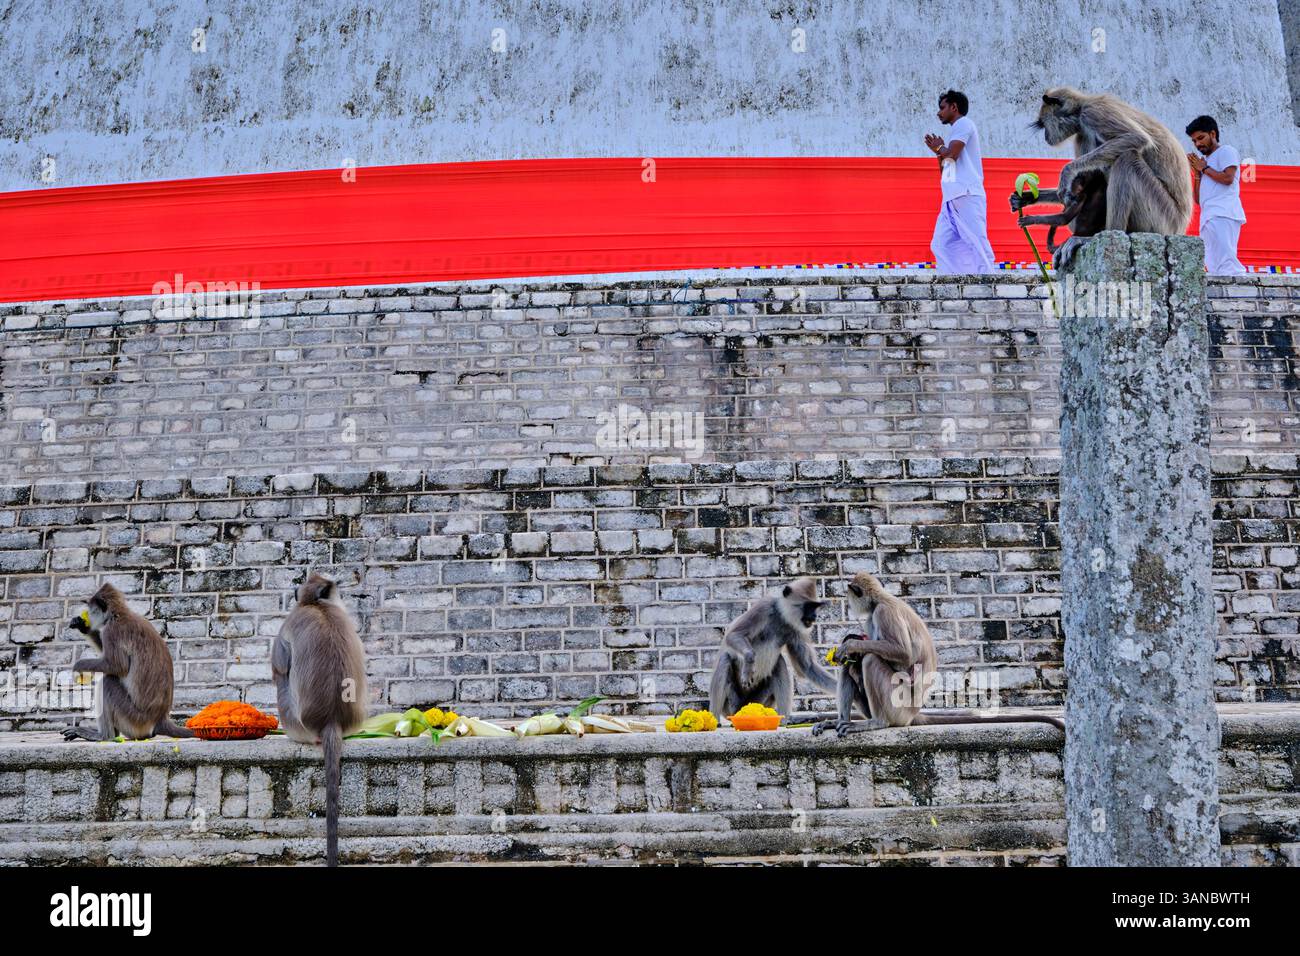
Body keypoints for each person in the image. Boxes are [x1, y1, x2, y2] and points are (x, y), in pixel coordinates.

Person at [926, 89, 996, 274]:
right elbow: (946, 169)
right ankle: (953, 283)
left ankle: (990, 284)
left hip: (967, 194)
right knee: (941, 244)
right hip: (951, 198)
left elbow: (952, 156)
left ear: (954, 107)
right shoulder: (955, 131)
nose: (938, 112)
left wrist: (941, 147)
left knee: (977, 241)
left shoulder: (964, 123)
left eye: (942, 108)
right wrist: (938, 151)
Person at [1185, 115, 1247, 276]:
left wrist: (1204, 169)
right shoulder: (1205, 161)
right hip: (1209, 215)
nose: (1198, 144)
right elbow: (1198, 200)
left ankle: (1239, 295)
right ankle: (1221, 295)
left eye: (1201, 138)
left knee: (1228, 262)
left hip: (1224, 212)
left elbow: (1228, 178)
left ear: (1212, 134)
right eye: (1194, 141)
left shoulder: (1226, 151)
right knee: (1213, 263)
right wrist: (1198, 173)